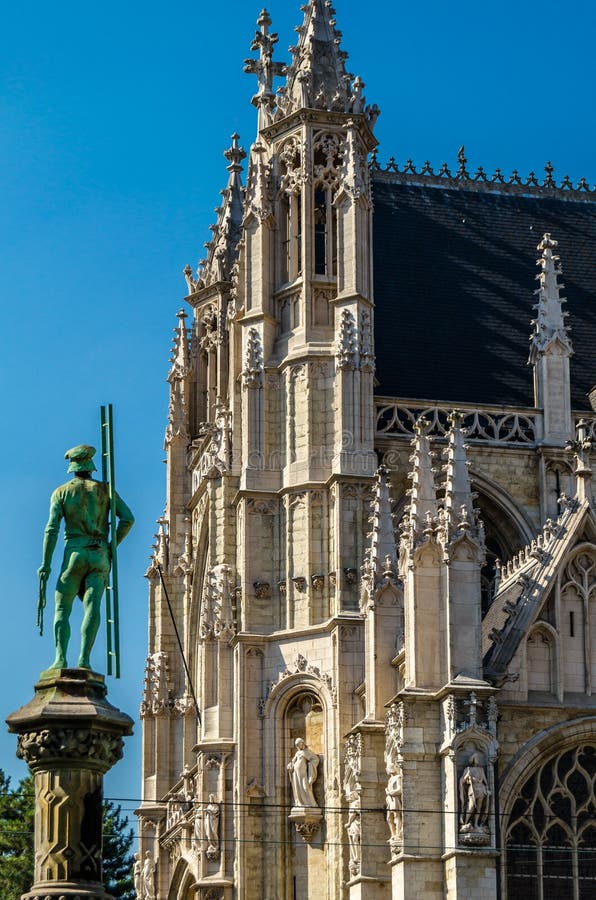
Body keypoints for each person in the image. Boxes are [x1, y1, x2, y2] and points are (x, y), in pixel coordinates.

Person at [38, 444, 134, 670]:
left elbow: (51, 530)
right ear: (90, 466)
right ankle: (85, 659)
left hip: (74, 553)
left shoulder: (61, 492)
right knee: (92, 607)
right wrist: (111, 547)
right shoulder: (105, 490)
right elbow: (128, 519)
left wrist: (45, 564)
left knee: (62, 608)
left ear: (72, 467)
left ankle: (60, 659)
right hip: (99, 554)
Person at [459, 752, 490, 831]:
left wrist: (487, 789)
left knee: (479, 808)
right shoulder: (468, 769)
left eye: (478, 758)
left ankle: (476, 824)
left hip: (481, 790)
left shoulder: (481, 770)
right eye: (476, 758)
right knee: (471, 806)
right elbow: (462, 781)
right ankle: (466, 822)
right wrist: (467, 776)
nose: (477, 760)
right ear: (472, 760)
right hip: (472, 790)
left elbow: (485, 781)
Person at [287, 737, 320, 809]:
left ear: (302, 743)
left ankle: (312, 804)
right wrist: (290, 765)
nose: (298, 746)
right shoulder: (297, 753)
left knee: (305, 787)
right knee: (297, 787)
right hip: (295, 773)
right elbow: (293, 761)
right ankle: (299, 803)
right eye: (297, 745)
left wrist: (310, 765)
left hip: (302, 773)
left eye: (299, 744)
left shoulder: (307, 752)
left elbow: (315, 759)